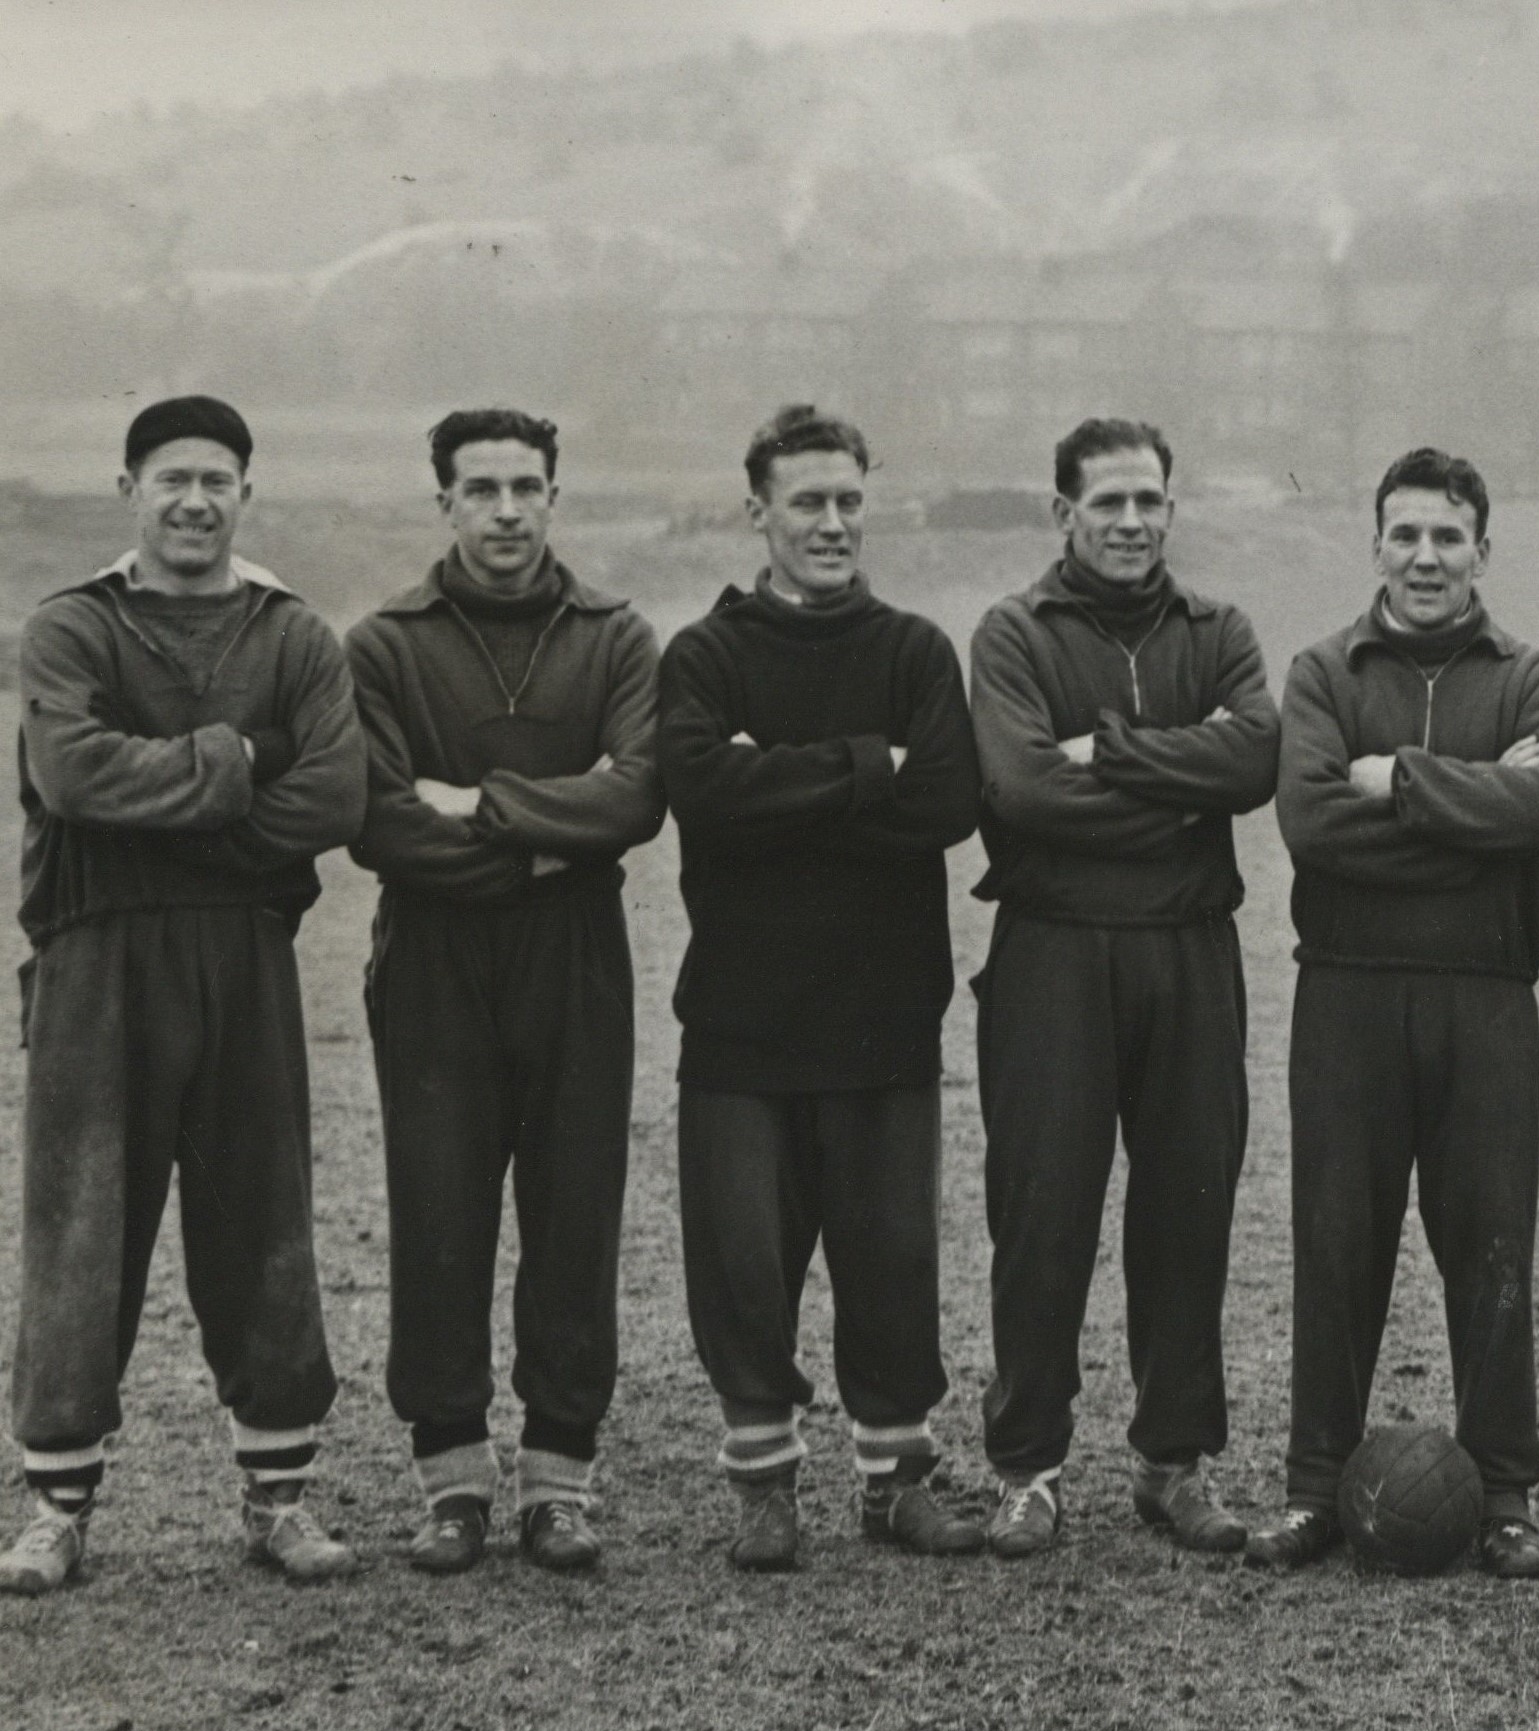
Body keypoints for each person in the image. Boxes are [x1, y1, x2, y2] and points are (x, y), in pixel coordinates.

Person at [0, 396, 367, 1595]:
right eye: (172, 479)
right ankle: (57, 1505)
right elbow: (71, 773)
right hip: (95, 959)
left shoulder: (293, 632)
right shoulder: (70, 625)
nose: (195, 500)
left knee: (260, 1217)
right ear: (129, 490)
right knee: (81, 1222)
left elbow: (334, 800)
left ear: (245, 493)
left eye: (217, 478)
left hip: (243, 957)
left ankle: (278, 1497)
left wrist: (176, 810)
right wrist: (236, 759)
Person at [657, 404, 984, 1571]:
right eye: (808, 502)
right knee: (745, 1263)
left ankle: (898, 1483)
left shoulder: (912, 651)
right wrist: (864, 768)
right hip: (742, 1018)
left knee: (891, 1256)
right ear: (759, 512)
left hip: (886, 1013)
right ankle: (765, 1484)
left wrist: (778, 784)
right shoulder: (706, 653)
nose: (833, 522)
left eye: (850, 500)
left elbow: (945, 802)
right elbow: (699, 789)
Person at [1250, 447, 1539, 1580]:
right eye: (1407, 534)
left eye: (1450, 536)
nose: (1428, 556)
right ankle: (1313, 1488)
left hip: (1486, 1001)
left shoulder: (1531, 673)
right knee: (1339, 1236)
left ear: (1483, 550)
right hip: (1345, 991)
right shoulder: (1323, 670)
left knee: (1489, 1239)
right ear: (1376, 544)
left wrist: (1394, 781)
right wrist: (1475, 817)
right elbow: (1310, 824)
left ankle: (1502, 1493)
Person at [344, 408, 663, 1577]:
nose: (508, 511)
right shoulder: (382, 644)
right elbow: (376, 823)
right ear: (444, 505)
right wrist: (550, 818)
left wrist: (474, 803)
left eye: (527, 486)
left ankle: (560, 1484)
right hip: (432, 953)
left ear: (555, 497)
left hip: (573, 953)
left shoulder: (615, 635)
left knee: (574, 1209)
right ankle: (453, 1480)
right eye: (480, 490)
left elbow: (634, 800)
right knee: (438, 1208)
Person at [967, 418, 1279, 1558]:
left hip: (1189, 949)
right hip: (1052, 950)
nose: (1134, 524)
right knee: (1043, 1212)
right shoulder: (1013, 632)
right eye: (1109, 504)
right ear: (1064, 515)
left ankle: (1172, 1461)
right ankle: (1028, 1468)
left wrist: (1105, 750)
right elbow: (1025, 789)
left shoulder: (1220, 628)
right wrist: (1175, 777)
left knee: (1187, 1206)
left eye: (1151, 502)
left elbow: (1253, 759)